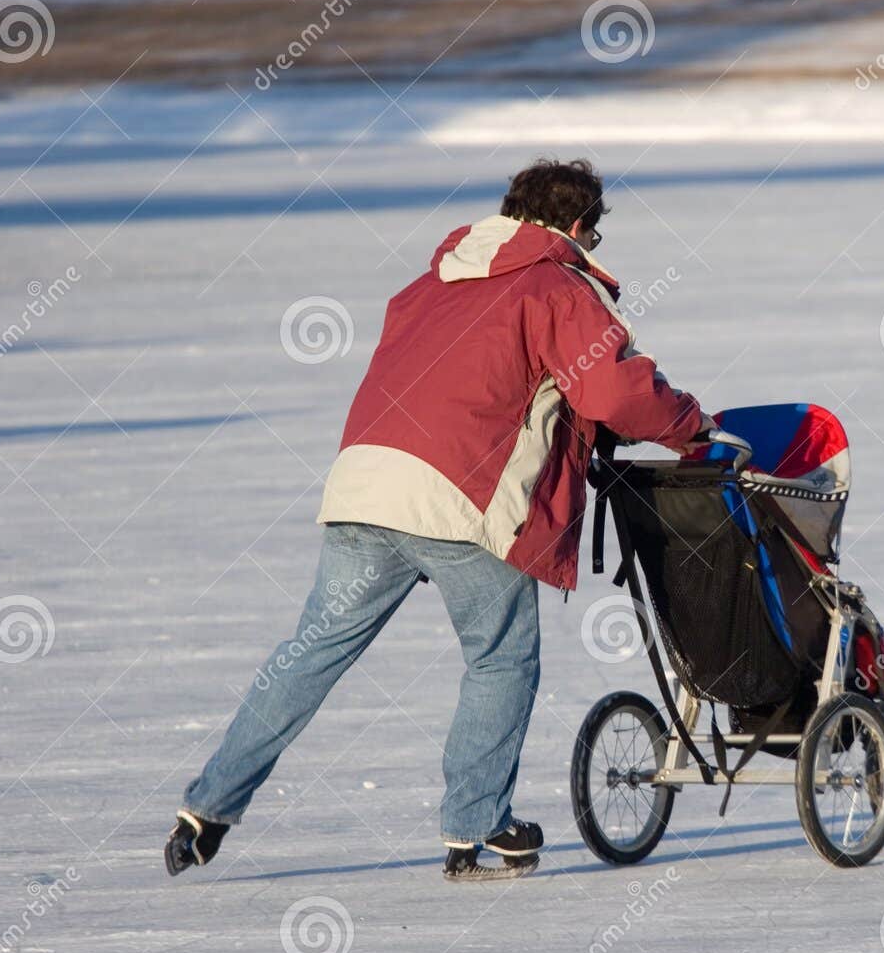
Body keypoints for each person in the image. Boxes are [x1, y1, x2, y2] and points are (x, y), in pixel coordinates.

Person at [166, 158, 710, 882]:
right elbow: (613, 390)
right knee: (500, 657)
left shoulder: (429, 283)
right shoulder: (554, 284)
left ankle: (207, 807)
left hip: (365, 482)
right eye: (595, 234)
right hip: (462, 498)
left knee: (313, 651)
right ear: (579, 226)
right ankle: (475, 826)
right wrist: (693, 429)